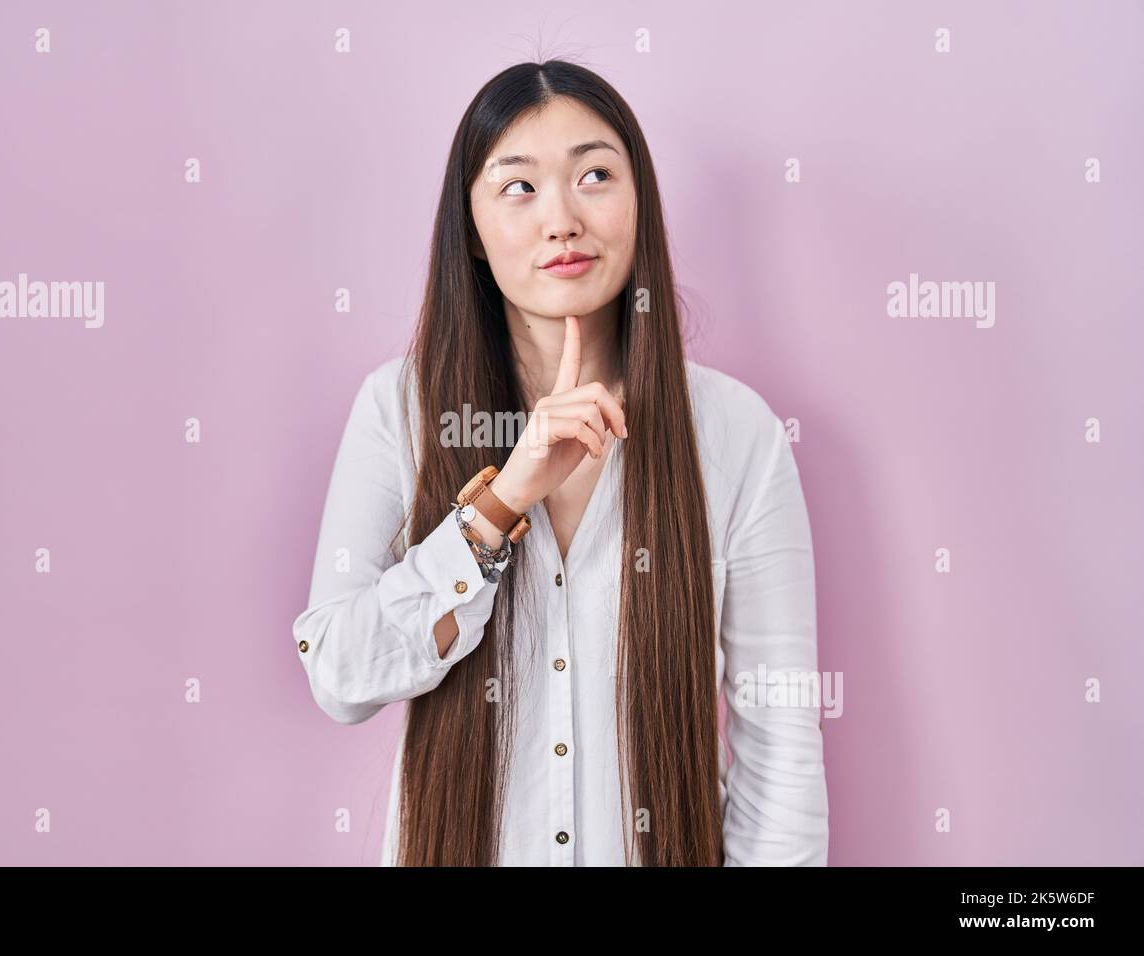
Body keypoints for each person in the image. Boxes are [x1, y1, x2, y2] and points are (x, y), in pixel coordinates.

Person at [292, 59, 828, 866]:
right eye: (520, 186)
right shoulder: (398, 410)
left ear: (639, 202)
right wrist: (502, 503)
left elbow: (779, 740)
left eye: (595, 175)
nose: (563, 219)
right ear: (470, 229)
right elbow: (338, 676)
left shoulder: (735, 433)